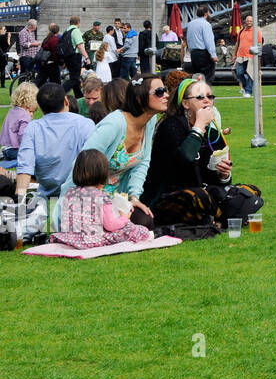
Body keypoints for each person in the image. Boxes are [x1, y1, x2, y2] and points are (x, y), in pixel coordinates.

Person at [56, 74, 169, 230]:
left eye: (165, 90)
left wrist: (134, 197)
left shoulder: (150, 121)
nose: (166, 95)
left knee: (145, 221)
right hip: (88, 201)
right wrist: (65, 210)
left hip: (116, 200)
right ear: (139, 98)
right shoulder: (114, 125)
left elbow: (142, 162)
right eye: (159, 92)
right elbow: (81, 165)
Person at [143, 75, 234, 221]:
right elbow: (184, 159)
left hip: (202, 192)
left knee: (247, 192)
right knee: (198, 197)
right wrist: (199, 126)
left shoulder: (213, 134)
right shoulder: (171, 126)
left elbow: (214, 181)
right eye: (200, 97)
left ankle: (216, 215)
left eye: (210, 97)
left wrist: (223, 175)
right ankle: (218, 216)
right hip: (169, 195)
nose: (207, 100)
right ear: (185, 103)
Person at [51, 149, 154, 250]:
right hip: (91, 239)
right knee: (135, 229)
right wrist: (124, 217)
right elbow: (111, 225)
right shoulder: (101, 196)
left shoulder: (70, 194)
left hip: (71, 238)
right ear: (103, 173)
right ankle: (150, 235)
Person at [12, 83, 96, 200]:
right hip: (79, 195)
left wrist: (19, 199)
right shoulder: (85, 124)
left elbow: (25, 167)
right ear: (66, 101)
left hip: (50, 195)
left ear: (40, 108)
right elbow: (93, 163)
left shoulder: (33, 128)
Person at [2, 82, 39, 161]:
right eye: (31, 112)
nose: (32, 115)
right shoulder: (25, 116)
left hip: (5, 148)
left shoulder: (12, 111)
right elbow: (23, 136)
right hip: (15, 149)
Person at [232, 16, 261, 97]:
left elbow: (259, 43)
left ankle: (248, 91)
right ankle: (246, 87)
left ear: (253, 22)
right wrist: (234, 54)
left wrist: (258, 55)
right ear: (245, 21)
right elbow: (237, 43)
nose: (249, 22)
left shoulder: (256, 31)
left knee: (250, 74)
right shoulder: (241, 31)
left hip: (251, 56)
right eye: (248, 21)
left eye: (250, 21)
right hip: (240, 55)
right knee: (239, 73)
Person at [186, 6, 217, 80]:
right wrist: (213, 54)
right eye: (209, 12)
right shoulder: (206, 24)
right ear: (206, 14)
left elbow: (188, 39)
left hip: (193, 53)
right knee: (207, 77)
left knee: (197, 77)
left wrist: (191, 51)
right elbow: (208, 40)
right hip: (204, 54)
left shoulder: (190, 24)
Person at [62, 16, 89, 100]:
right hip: (75, 56)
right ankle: (60, 92)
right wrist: (87, 57)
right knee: (74, 79)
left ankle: (79, 96)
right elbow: (80, 45)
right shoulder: (76, 30)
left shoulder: (66, 31)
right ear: (78, 22)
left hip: (68, 56)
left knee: (74, 77)